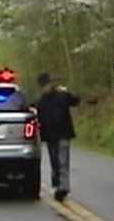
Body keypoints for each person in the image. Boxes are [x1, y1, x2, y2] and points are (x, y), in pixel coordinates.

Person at [33, 72, 80, 202]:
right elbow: (38, 119)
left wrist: (69, 92)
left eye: (47, 84)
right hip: (50, 136)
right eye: (44, 85)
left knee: (63, 161)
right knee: (55, 162)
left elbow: (75, 101)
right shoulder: (40, 102)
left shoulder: (62, 95)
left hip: (63, 133)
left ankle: (63, 187)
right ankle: (57, 184)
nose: (46, 87)